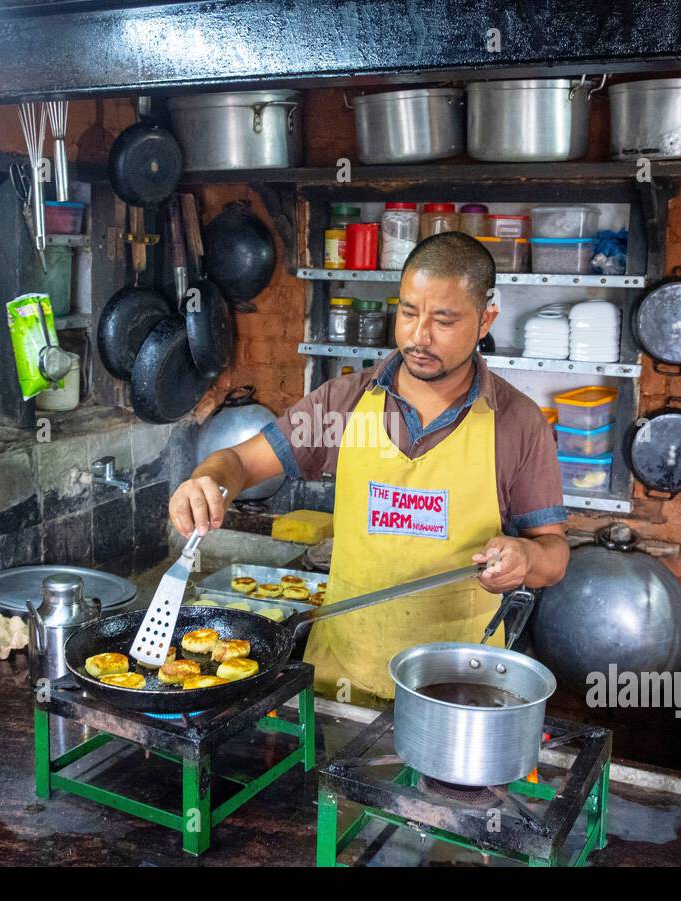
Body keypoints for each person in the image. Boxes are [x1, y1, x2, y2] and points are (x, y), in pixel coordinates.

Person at [169, 231, 569, 703]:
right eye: (408, 312)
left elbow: (554, 556)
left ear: (485, 320)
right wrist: (207, 481)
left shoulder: (516, 423)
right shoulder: (346, 404)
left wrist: (525, 560)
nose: (418, 337)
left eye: (443, 320)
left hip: (457, 688)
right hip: (339, 677)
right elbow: (239, 461)